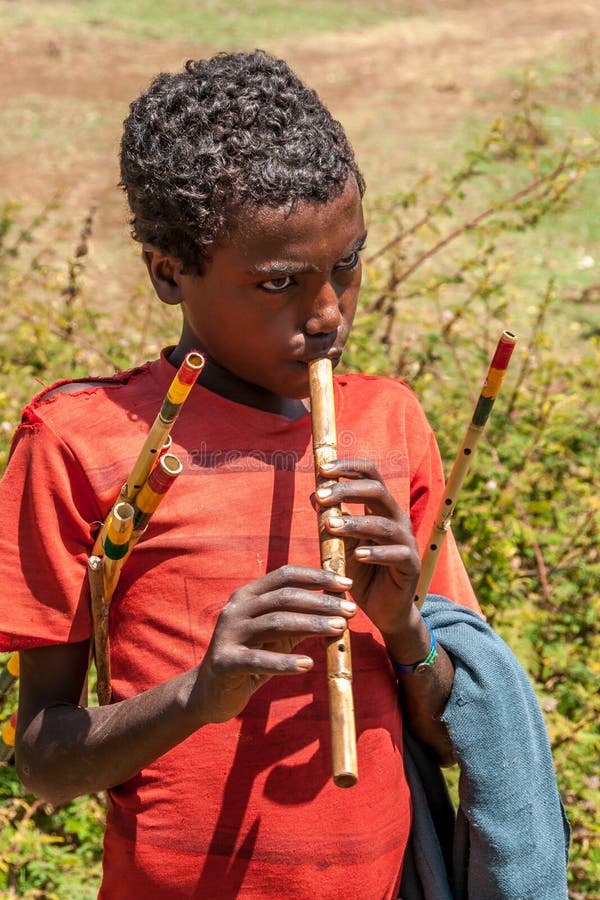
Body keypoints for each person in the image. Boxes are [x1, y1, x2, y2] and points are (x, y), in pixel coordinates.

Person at [0, 51, 568, 899]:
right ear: (167, 271)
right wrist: (199, 693)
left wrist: (407, 627)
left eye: (348, 263)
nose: (330, 314)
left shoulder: (390, 423)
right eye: (279, 283)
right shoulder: (80, 443)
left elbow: (455, 740)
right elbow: (44, 765)